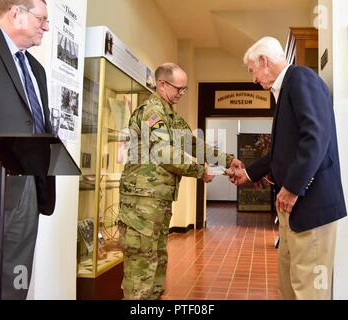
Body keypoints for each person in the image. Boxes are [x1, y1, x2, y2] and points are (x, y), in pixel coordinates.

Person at [230, 36, 347, 299]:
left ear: (263, 61)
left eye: (252, 71)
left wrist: (292, 188)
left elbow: (315, 136)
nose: (253, 80)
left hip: (309, 205)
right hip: (293, 207)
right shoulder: (286, 90)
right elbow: (281, 152)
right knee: (291, 284)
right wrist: (248, 173)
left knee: (308, 290)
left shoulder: (301, 78)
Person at [118, 62, 241, 300]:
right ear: (162, 84)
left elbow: (193, 144)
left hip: (157, 203)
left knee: (156, 264)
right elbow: (164, 151)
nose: (182, 94)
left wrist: (228, 160)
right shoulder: (152, 112)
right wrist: (198, 170)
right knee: (141, 272)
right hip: (141, 206)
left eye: (185, 89)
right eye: (179, 88)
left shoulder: (170, 115)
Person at [0, 0, 55, 299]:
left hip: (28, 185)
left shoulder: (36, 69)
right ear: (15, 13)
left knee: (16, 276)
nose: (46, 26)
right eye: (42, 19)